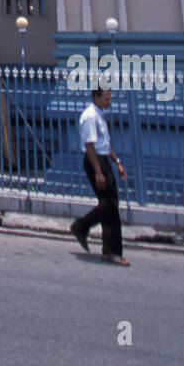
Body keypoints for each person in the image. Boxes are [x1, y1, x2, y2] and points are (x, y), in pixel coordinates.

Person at [70, 81, 130, 265]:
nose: (109, 101)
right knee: (110, 206)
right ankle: (111, 250)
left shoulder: (100, 115)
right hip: (95, 162)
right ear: (96, 98)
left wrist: (117, 162)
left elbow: (104, 144)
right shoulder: (89, 116)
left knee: (108, 205)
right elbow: (90, 146)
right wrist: (98, 172)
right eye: (107, 98)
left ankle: (82, 227)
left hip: (103, 160)